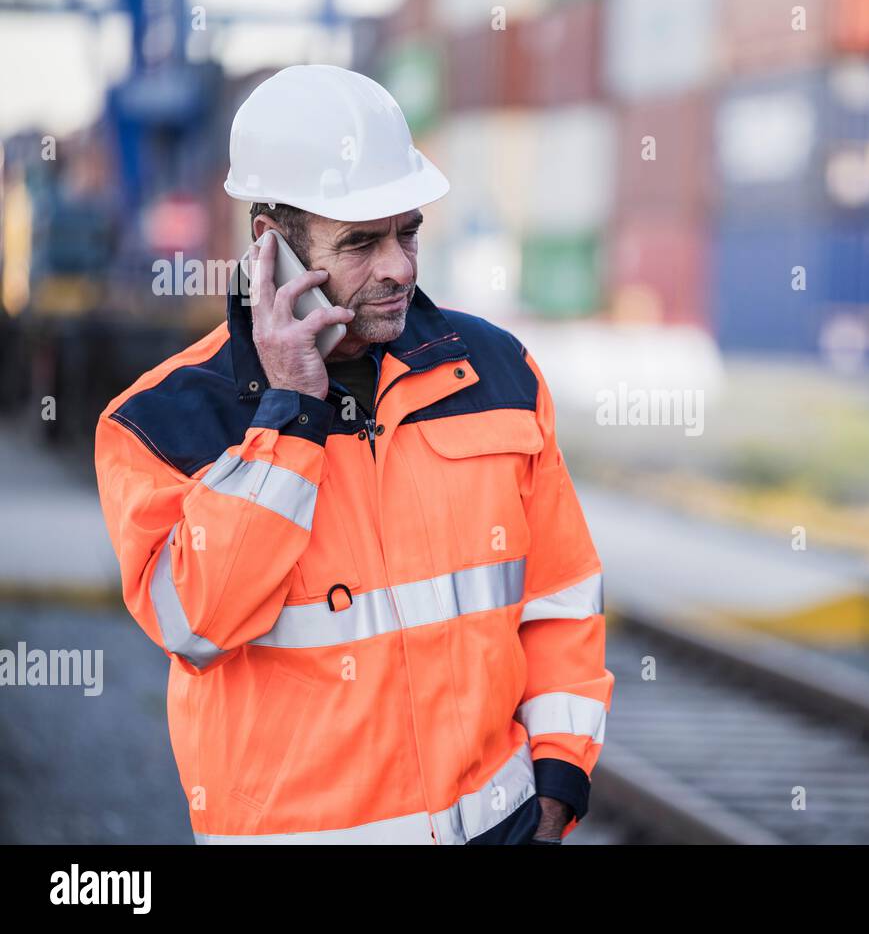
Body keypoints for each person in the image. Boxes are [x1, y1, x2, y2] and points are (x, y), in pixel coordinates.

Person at [93, 65, 612, 844]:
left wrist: (557, 788)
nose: (400, 266)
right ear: (273, 248)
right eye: (362, 243)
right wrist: (291, 418)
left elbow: (562, 596)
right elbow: (199, 623)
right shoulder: (160, 425)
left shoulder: (498, 372)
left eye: (408, 232)